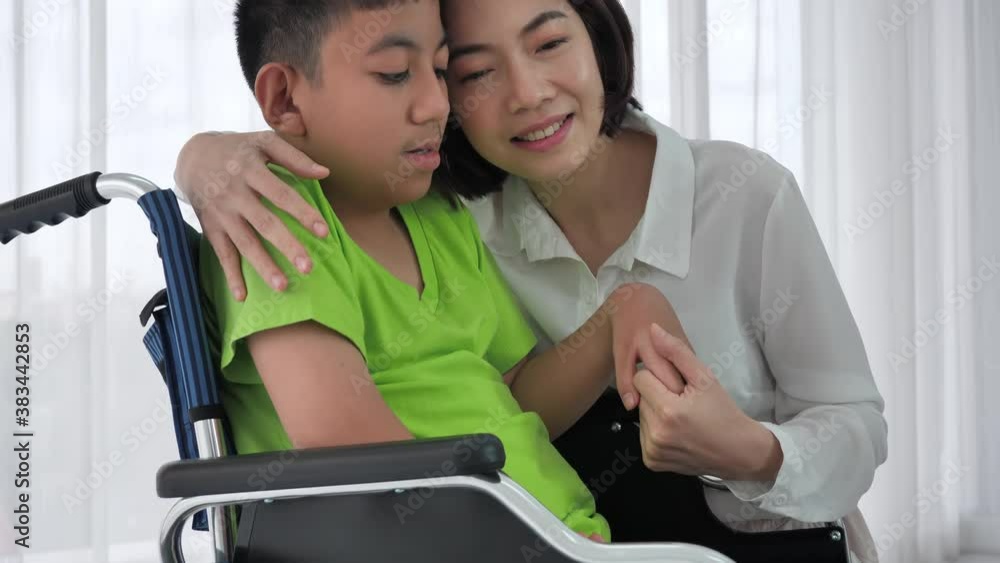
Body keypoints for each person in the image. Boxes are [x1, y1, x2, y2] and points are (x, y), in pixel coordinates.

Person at [178, 0, 887, 560]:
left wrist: (745, 443)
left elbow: (515, 390)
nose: (525, 94)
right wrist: (198, 157)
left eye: (549, 43)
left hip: (649, 540)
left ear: (597, 34)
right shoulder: (391, 213)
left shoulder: (743, 194)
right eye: (472, 72)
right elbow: (362, 460)